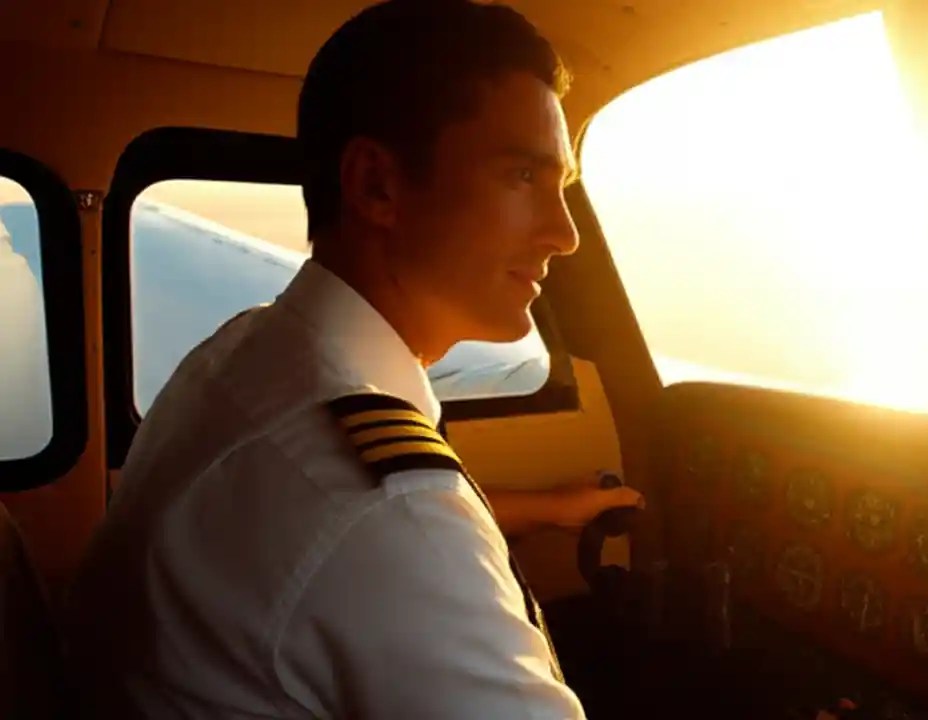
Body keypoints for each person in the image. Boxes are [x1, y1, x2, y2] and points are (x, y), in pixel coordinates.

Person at [63, 1, 642, 716]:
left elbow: (347, 531)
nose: (564, 234)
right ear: (376, 185)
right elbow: (378, 529)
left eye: (563, 187)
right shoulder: (387, 514)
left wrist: (550, 509)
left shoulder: (250, 355)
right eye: (523, 177)